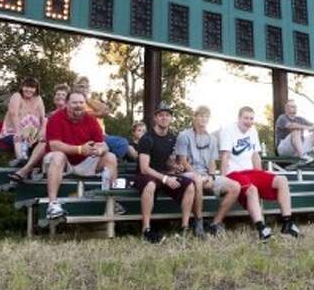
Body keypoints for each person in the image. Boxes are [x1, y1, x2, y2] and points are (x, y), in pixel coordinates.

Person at [23, 90, 117, 220]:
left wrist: (100, 150)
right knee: (58, 156)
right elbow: (54, 145)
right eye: (74, 102)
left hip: (84, 161)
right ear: (67, 103)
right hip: (61, 162)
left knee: (110, 157)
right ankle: (52, 204)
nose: (78, 105)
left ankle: (110, 202)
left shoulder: (90, 119)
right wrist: (79, 149)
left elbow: (103, 144)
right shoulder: (56, 118)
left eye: (81, 102)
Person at [217, 106, 300, 240]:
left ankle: (287, 223)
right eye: (246, 118)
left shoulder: (253, 130)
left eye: (251, 119)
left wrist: (261, 176)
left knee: (282, 180)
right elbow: (225, 156)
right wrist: (222, 179)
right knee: (252, 189)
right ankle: (262, 228)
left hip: (251, 172)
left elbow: (255, 155)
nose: (249, 122)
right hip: (234, 173)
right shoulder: (228, 130)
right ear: (238, 118)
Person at [133, 104, 198, 243]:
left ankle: (184, 228)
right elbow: (144, 168)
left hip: (164, 174)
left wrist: (175, 166)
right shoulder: (147, 139)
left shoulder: (172, 138)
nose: (164, 118)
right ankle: (146, 229)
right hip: (146, 176)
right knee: (150, 185)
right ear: (155, 118)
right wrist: (165, 179)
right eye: (161, 115)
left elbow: (167, 161)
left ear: (171, 118)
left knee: (190, 185)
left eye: (167, 115)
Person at [175, 105, 241, 237]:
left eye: (206, 116)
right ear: (194, 117)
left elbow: (212, 162)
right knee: (198, 180)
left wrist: (211, 176)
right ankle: (198, 221)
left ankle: (215, 223)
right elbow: (183, 161)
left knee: (235, 186)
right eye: (200, 116)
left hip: (206, 176)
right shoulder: (184, 136)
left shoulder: (212, 139)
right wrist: (198, 175)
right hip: (188, 174)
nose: (203, 119)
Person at [0, 77, 46, 162]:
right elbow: (14, 115)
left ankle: (37, 165)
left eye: (32, 87)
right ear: (22, 87)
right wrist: (20, 133)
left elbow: (43, 119)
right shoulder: (17, 96)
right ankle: (21, 160)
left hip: (32, 135)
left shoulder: (38, 98)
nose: (29, 90)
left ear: (36, 89)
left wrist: (38, 135)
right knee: (19, 138)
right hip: (13, 132)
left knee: (44, 141)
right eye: (26, 86)